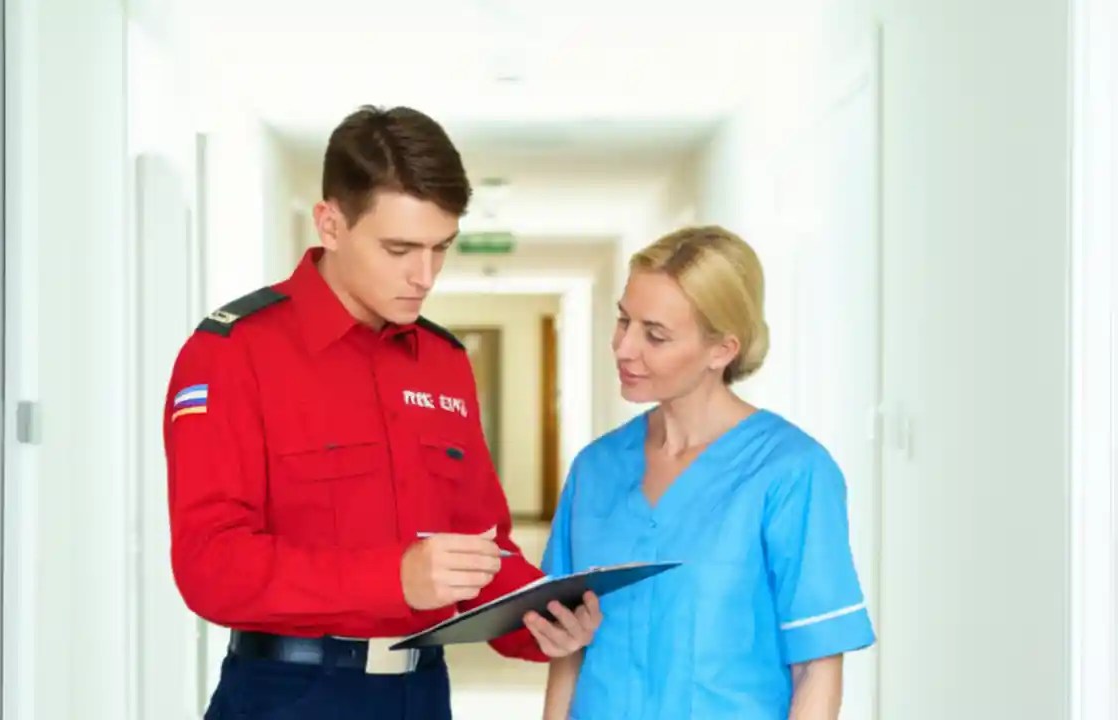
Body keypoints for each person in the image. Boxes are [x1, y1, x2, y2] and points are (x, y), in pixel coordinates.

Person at [163, 105, 601, 720]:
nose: (425, 275)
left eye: (441, 248)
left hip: (421, 695)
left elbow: (484, 549)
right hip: (285, 696)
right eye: (399, 248)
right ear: (331, 224)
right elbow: (210, 567)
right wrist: (393, 578)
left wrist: (541, 619)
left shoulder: (443, 362)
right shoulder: (233, 353)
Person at [540, 226, 876, 719]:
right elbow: (568, 653)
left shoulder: (791, 472)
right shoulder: (596, 468)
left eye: (655, 334)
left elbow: (818, 669)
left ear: (722, 349)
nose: (624, 347)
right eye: (623, 320)